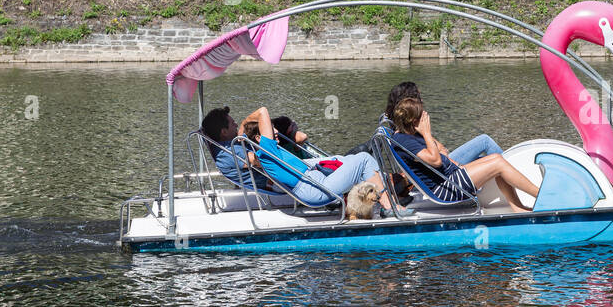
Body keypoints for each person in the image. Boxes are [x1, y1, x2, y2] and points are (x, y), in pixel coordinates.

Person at [201, 106, 395, 212]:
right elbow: (257, 159)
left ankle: (380, 184)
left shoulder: (232, 145)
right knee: (362, 158)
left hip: (298, 177)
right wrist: (248, 128)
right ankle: (387, 201)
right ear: (223, 131)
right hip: (290, 184)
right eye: (232, 122)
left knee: (340, 159)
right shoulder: (236, 154)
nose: (236, 123)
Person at [389, 97, 539, 212]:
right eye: (423, 116)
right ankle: (541, 195)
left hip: (450, 177)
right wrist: (427, 132)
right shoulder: (405, 140)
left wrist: (425, 135)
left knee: (495, 158)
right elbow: (436, 161)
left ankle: (517, 207)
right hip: (445, 188)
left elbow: (441, 152)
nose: (426, 117)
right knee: (497, 164)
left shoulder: (410, 135)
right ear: (415, 121)